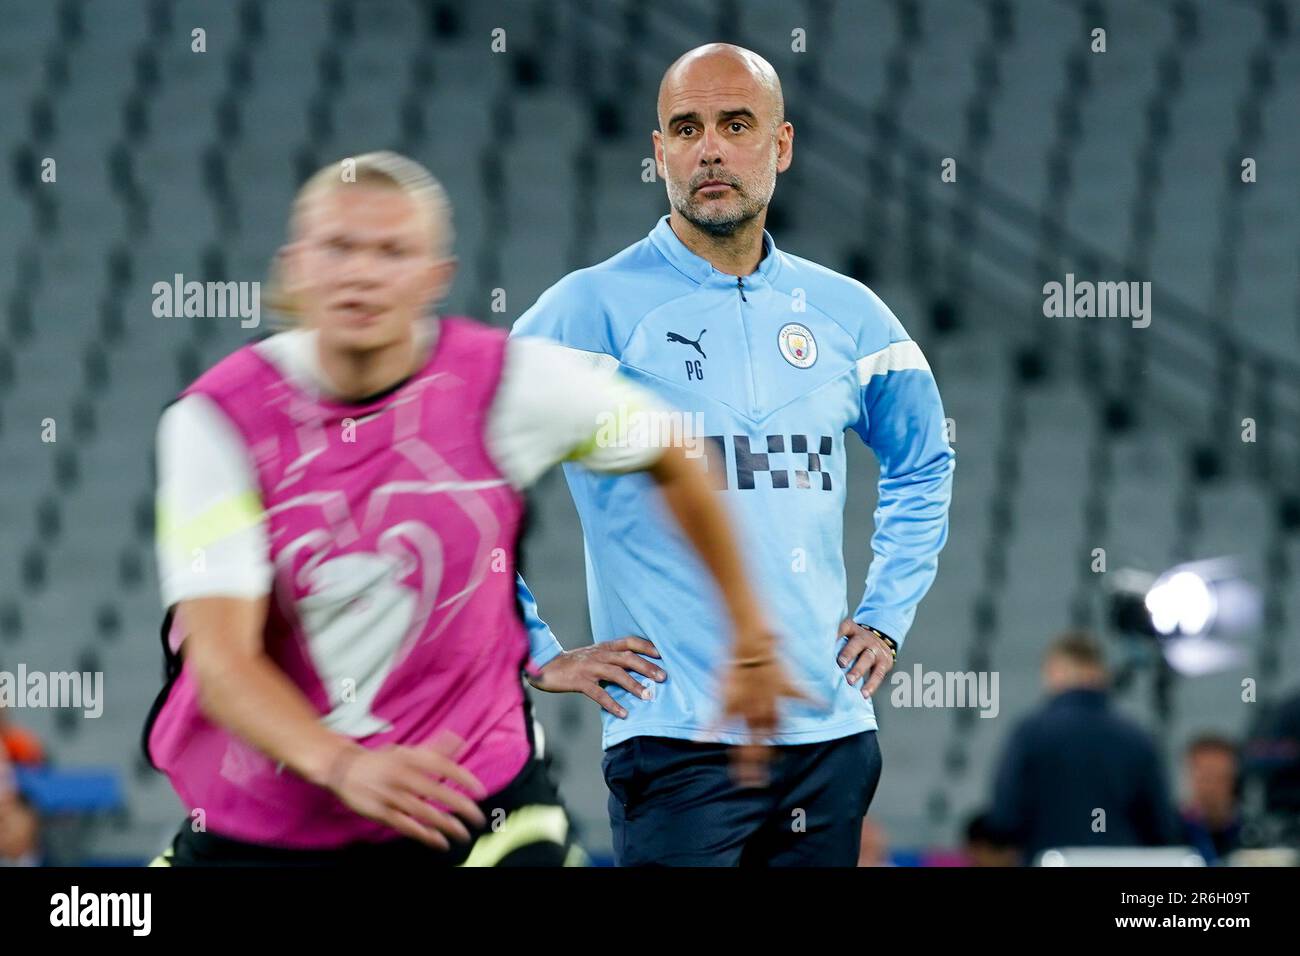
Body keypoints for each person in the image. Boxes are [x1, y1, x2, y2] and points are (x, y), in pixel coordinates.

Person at [143, 150, 796, 866]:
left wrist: (750, 638)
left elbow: (673, 454)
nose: (362, 273)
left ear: (436, 276)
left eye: (392, 252)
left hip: (477, 801)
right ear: (296, 266)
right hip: (271, 818)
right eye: (339, 248)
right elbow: (224, 664)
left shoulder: (506, 385)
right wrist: (344, 765)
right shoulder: (216, 423)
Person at [514, 44, 955, 866]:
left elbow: (924, 462)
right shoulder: (587, 310)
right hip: (676, 741)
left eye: (736, 124)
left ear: (780, 145)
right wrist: (532, 647)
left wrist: (885, 617)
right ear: (660, 154)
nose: (710, 148)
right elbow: (462, 473)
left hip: (829, 738)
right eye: (687, 129)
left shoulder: (851, 314)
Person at [986, 632, 1181, 862]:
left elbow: (1005, 817)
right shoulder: (1137, 737)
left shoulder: (1029, 734)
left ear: (1054, 672)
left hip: (1050, 859)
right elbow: (1162, 825)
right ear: (1101, 673)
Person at [1179, 734, 1242, 864]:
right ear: (1188, 777)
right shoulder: (1169, 832)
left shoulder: (1248, 835)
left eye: (1220, 778)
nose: (1211, 788)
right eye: (1205, 778)